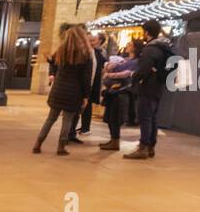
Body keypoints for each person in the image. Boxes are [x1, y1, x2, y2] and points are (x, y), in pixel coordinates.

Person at [32, 23, 92, 155]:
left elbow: (54, 63)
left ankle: (38, 144)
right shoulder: (85, 54)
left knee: (50, 119)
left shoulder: (61, 51)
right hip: (74, 92)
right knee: (68, 120)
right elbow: (86, 79)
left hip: (58, 89)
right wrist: (86, 96)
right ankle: (61, 147)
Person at [124, 18, 175, 160]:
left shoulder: (151, 48)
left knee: (144, 118)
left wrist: (134, 77)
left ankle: (143, 147)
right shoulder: (165, 46)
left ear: (146, 32)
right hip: (159, 86)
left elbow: (143, 69)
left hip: (147, 88)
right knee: (152, 117)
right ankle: (151, 146)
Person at [99, 39, 142, 151]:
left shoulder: (136, 61)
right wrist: (109, 68)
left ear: (135, 48)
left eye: (130, 44)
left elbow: (127, 74)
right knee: (109, 117)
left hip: (121, 92)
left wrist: (110, 75)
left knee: (115, 117)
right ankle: (113, 140)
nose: (127, 46)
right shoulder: (124, 60)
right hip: (112, 92)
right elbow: (108, 67)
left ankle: (115, 141)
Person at [68, 31, 107, 143]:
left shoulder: (97, 53)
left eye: (93, 40)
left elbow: (101, 66)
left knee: (81, 110)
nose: (91, 43)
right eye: (89, 40)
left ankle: (72, 134)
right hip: (79, 87)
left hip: (90, 87)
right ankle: (67, 135)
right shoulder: (81, 53)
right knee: (73, 111)